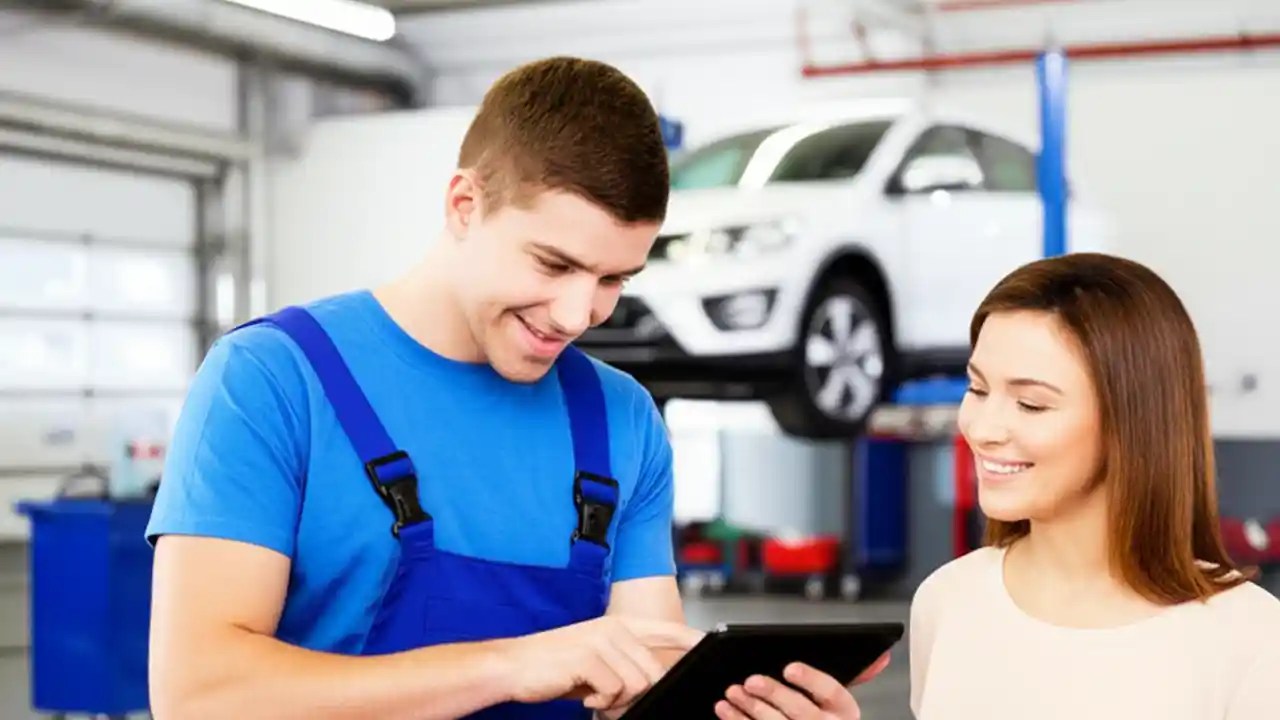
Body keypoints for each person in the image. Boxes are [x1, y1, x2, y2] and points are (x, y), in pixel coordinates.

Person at [145, 56, 886, 720]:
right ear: (465, 205)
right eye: (553, 264)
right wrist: (509, 665)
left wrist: (749, 707)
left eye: (612, 280)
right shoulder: (271, 381)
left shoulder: (620, 419)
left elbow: (637, 691)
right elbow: (200, 692)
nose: (577, 315)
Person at [908, 252, 1280, 719]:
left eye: (1030, 404)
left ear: (1132, 421)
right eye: (977, 389)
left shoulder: (1251, 638)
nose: (982, 428)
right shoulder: (947, 601)